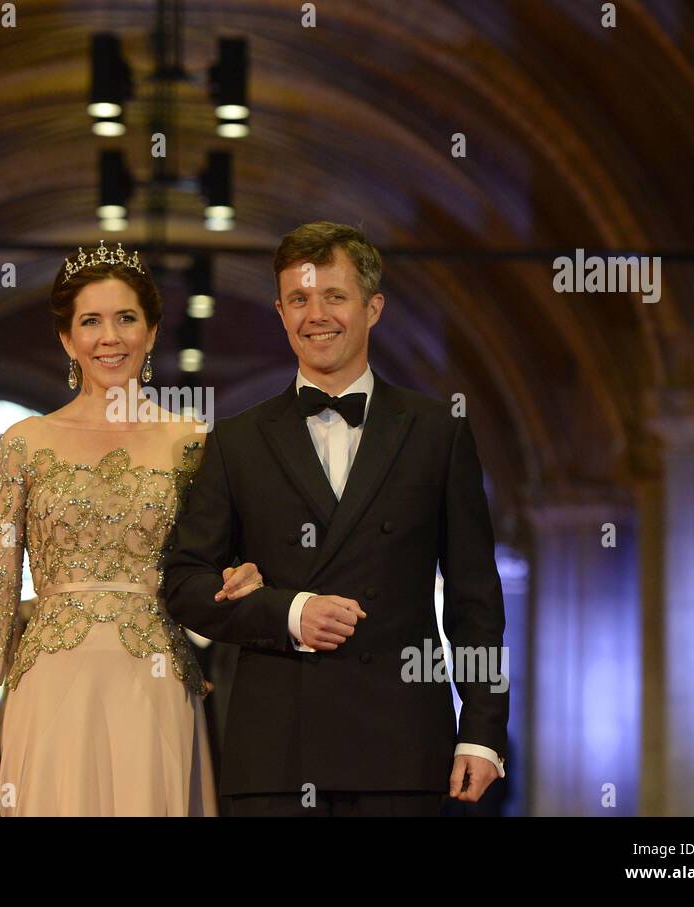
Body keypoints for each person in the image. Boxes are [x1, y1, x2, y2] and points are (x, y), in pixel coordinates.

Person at [161, 221, 509, 817]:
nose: (315, 314)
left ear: (373, 308)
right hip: (275, 750)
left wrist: (481, 731)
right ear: (279, 311)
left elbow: (474, 597)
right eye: (298, 299)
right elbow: (184, 585)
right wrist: (290, 611)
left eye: (334, 296)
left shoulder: (437, 433)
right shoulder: (236, 441)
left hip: (401, 746)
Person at [0, 240, 263, 816]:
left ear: (151, 331)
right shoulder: (23, 444)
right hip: (48, 683)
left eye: (125, 318)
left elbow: (214, 566)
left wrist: (242, 577)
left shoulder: (192, 441)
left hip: (156, 681)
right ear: (68, 339)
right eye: (90, 321)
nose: (109, 337)